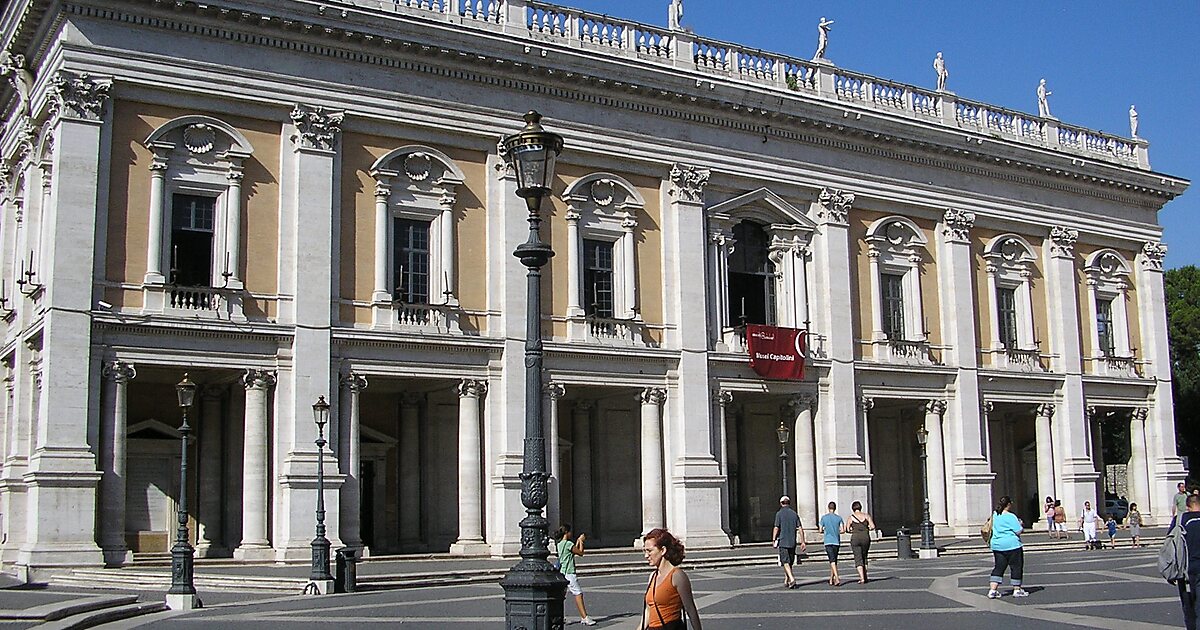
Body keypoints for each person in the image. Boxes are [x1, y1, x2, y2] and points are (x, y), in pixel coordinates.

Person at [639, 528, 702, 630]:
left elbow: (690, 609)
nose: (646, 556)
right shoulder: (652, 576)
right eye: (645, 551)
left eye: (649, 551)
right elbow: (649, 609)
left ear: (663, 550)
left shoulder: (677, 576)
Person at [987, 495, 1029, 598]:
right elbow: (1018, 531)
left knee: (999, 567)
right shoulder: (1011, 516)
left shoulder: (995, 515)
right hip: (1012, 545)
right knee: (1016, 567)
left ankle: (993, 590)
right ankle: (1017, 589)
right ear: (1008, 504)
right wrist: (1021, 524)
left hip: (997, 545)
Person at [555, 524, 596, 626]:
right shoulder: (568, 544)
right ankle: (584, 617)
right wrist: (581, 542)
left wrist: (577, 542)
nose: (571, 533)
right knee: (578, 594)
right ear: (566, 533)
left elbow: (572, 552)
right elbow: (581, 553)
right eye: (570, 532)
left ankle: (558, 616)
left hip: (562, 573)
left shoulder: (560, 544)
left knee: (561, 596)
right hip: (569, 573)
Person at [1173, 494, 1200, 630]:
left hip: (1185, 570)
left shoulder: (1180, 520)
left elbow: (1171, 543)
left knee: (1188, 607)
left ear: (1187, 507)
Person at [771, 495, 806, 589]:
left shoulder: (779, 514)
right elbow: (800, 528)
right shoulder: (794, 514)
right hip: (792, 541)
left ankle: (792, 578)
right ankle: (786, 579)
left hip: (783, 541)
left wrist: (774, 539)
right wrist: (803, 541)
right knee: (790, 561)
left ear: (781, 503)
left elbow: (776, 527)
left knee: (785, 561)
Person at [847, 500, 876, 584]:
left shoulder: (851, 517)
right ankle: (865, 575)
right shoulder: (866, 516)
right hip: (865, 538)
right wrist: (868, 528)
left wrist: (852, 530)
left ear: (853, 508)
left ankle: (862, 577)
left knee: (858, 558)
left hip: (855, 538)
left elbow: (847, 529)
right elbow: (873, 526)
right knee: (864, 556)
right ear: (860, 507)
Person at [818, 501, 845, 586]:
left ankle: (836, 578)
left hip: (828, 541)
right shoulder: (839, 518)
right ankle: (831, 579)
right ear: (835, 508)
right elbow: (843, 530)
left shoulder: (824, 518)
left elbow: (820, 530)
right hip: (836, 541)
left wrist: (825, 530)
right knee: (834, 560)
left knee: (832, 560)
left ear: (828, 508)